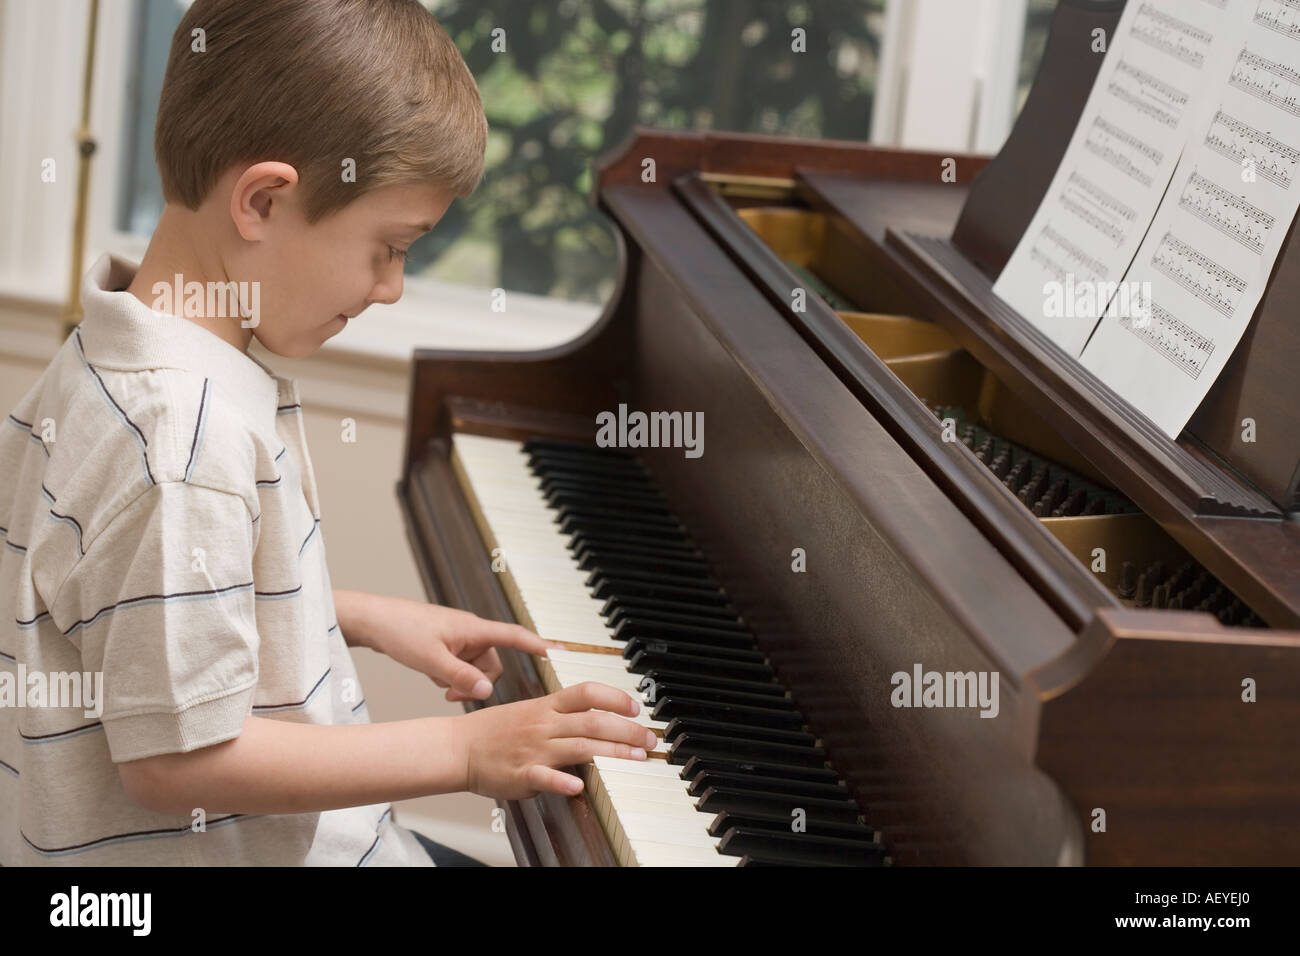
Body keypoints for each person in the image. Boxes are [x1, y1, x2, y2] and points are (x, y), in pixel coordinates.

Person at [0, 0, 654, 866]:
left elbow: (121, 612)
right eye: (390, 246)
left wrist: (344, 615)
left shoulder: (105, 361)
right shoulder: (181, 442)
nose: (392, 287)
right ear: (264, 200)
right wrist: (464, 752)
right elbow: (177, 757)